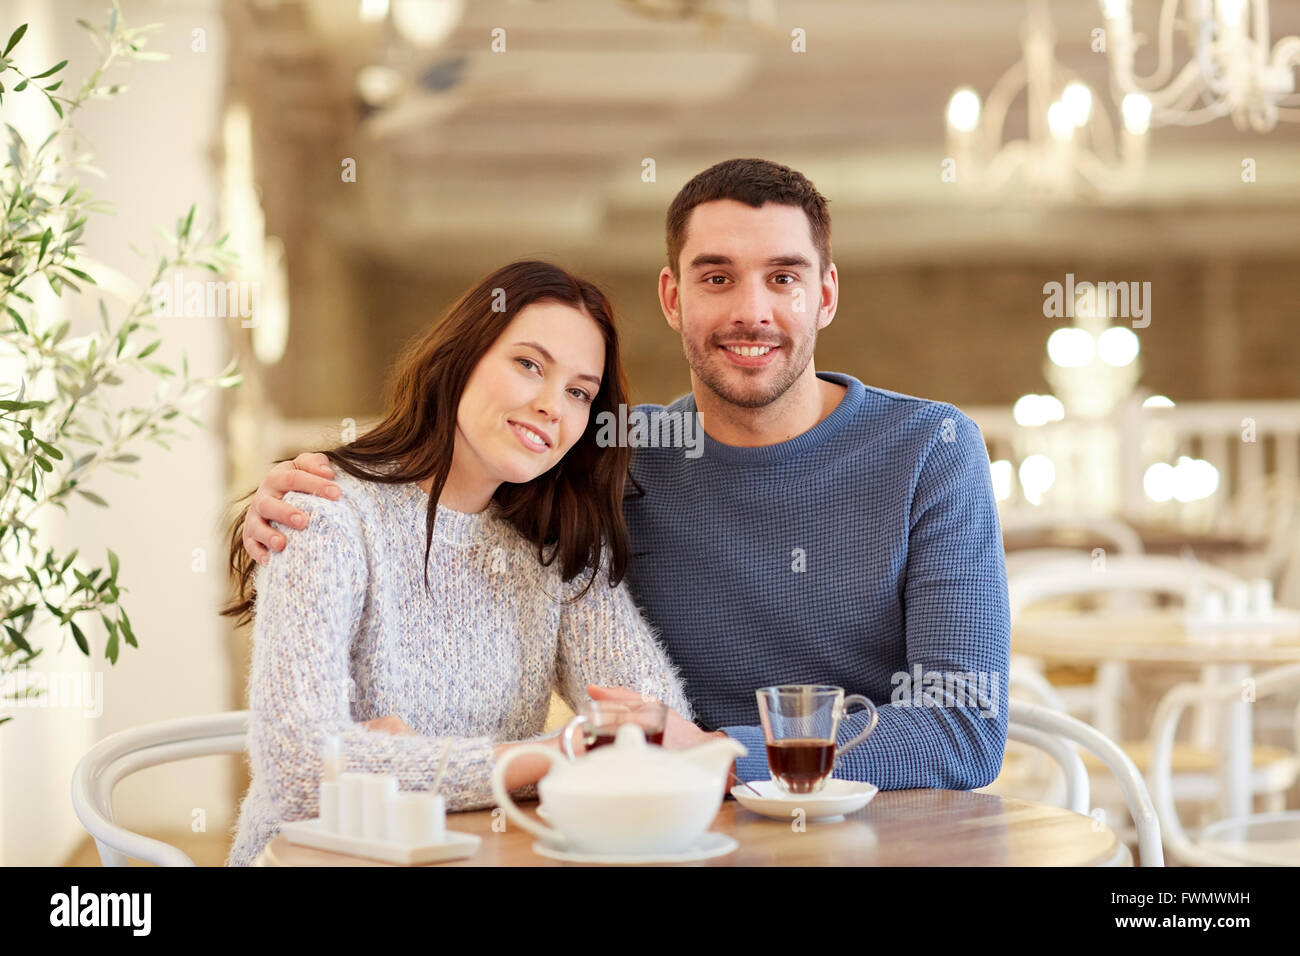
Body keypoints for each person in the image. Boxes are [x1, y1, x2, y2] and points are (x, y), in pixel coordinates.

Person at [240, 159, 1011, 793]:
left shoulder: (932, 448)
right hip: (663, 821)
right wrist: (276, 502)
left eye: (783, 278)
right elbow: (307, 753)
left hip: (856, 827)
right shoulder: (607, 467)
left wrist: (708, 752)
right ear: (673, 298)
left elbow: (962, 728)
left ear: (826, 294)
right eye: (717, 278)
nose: (752, 311)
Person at [221, 261, 700, 867]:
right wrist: (550, 755)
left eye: (579, 392)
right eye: (529, 364)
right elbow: (300, 771)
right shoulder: (327, 513)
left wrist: (405, 760)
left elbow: (658, 733)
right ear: (463, 357)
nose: (553, 406)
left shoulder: (559, 543)